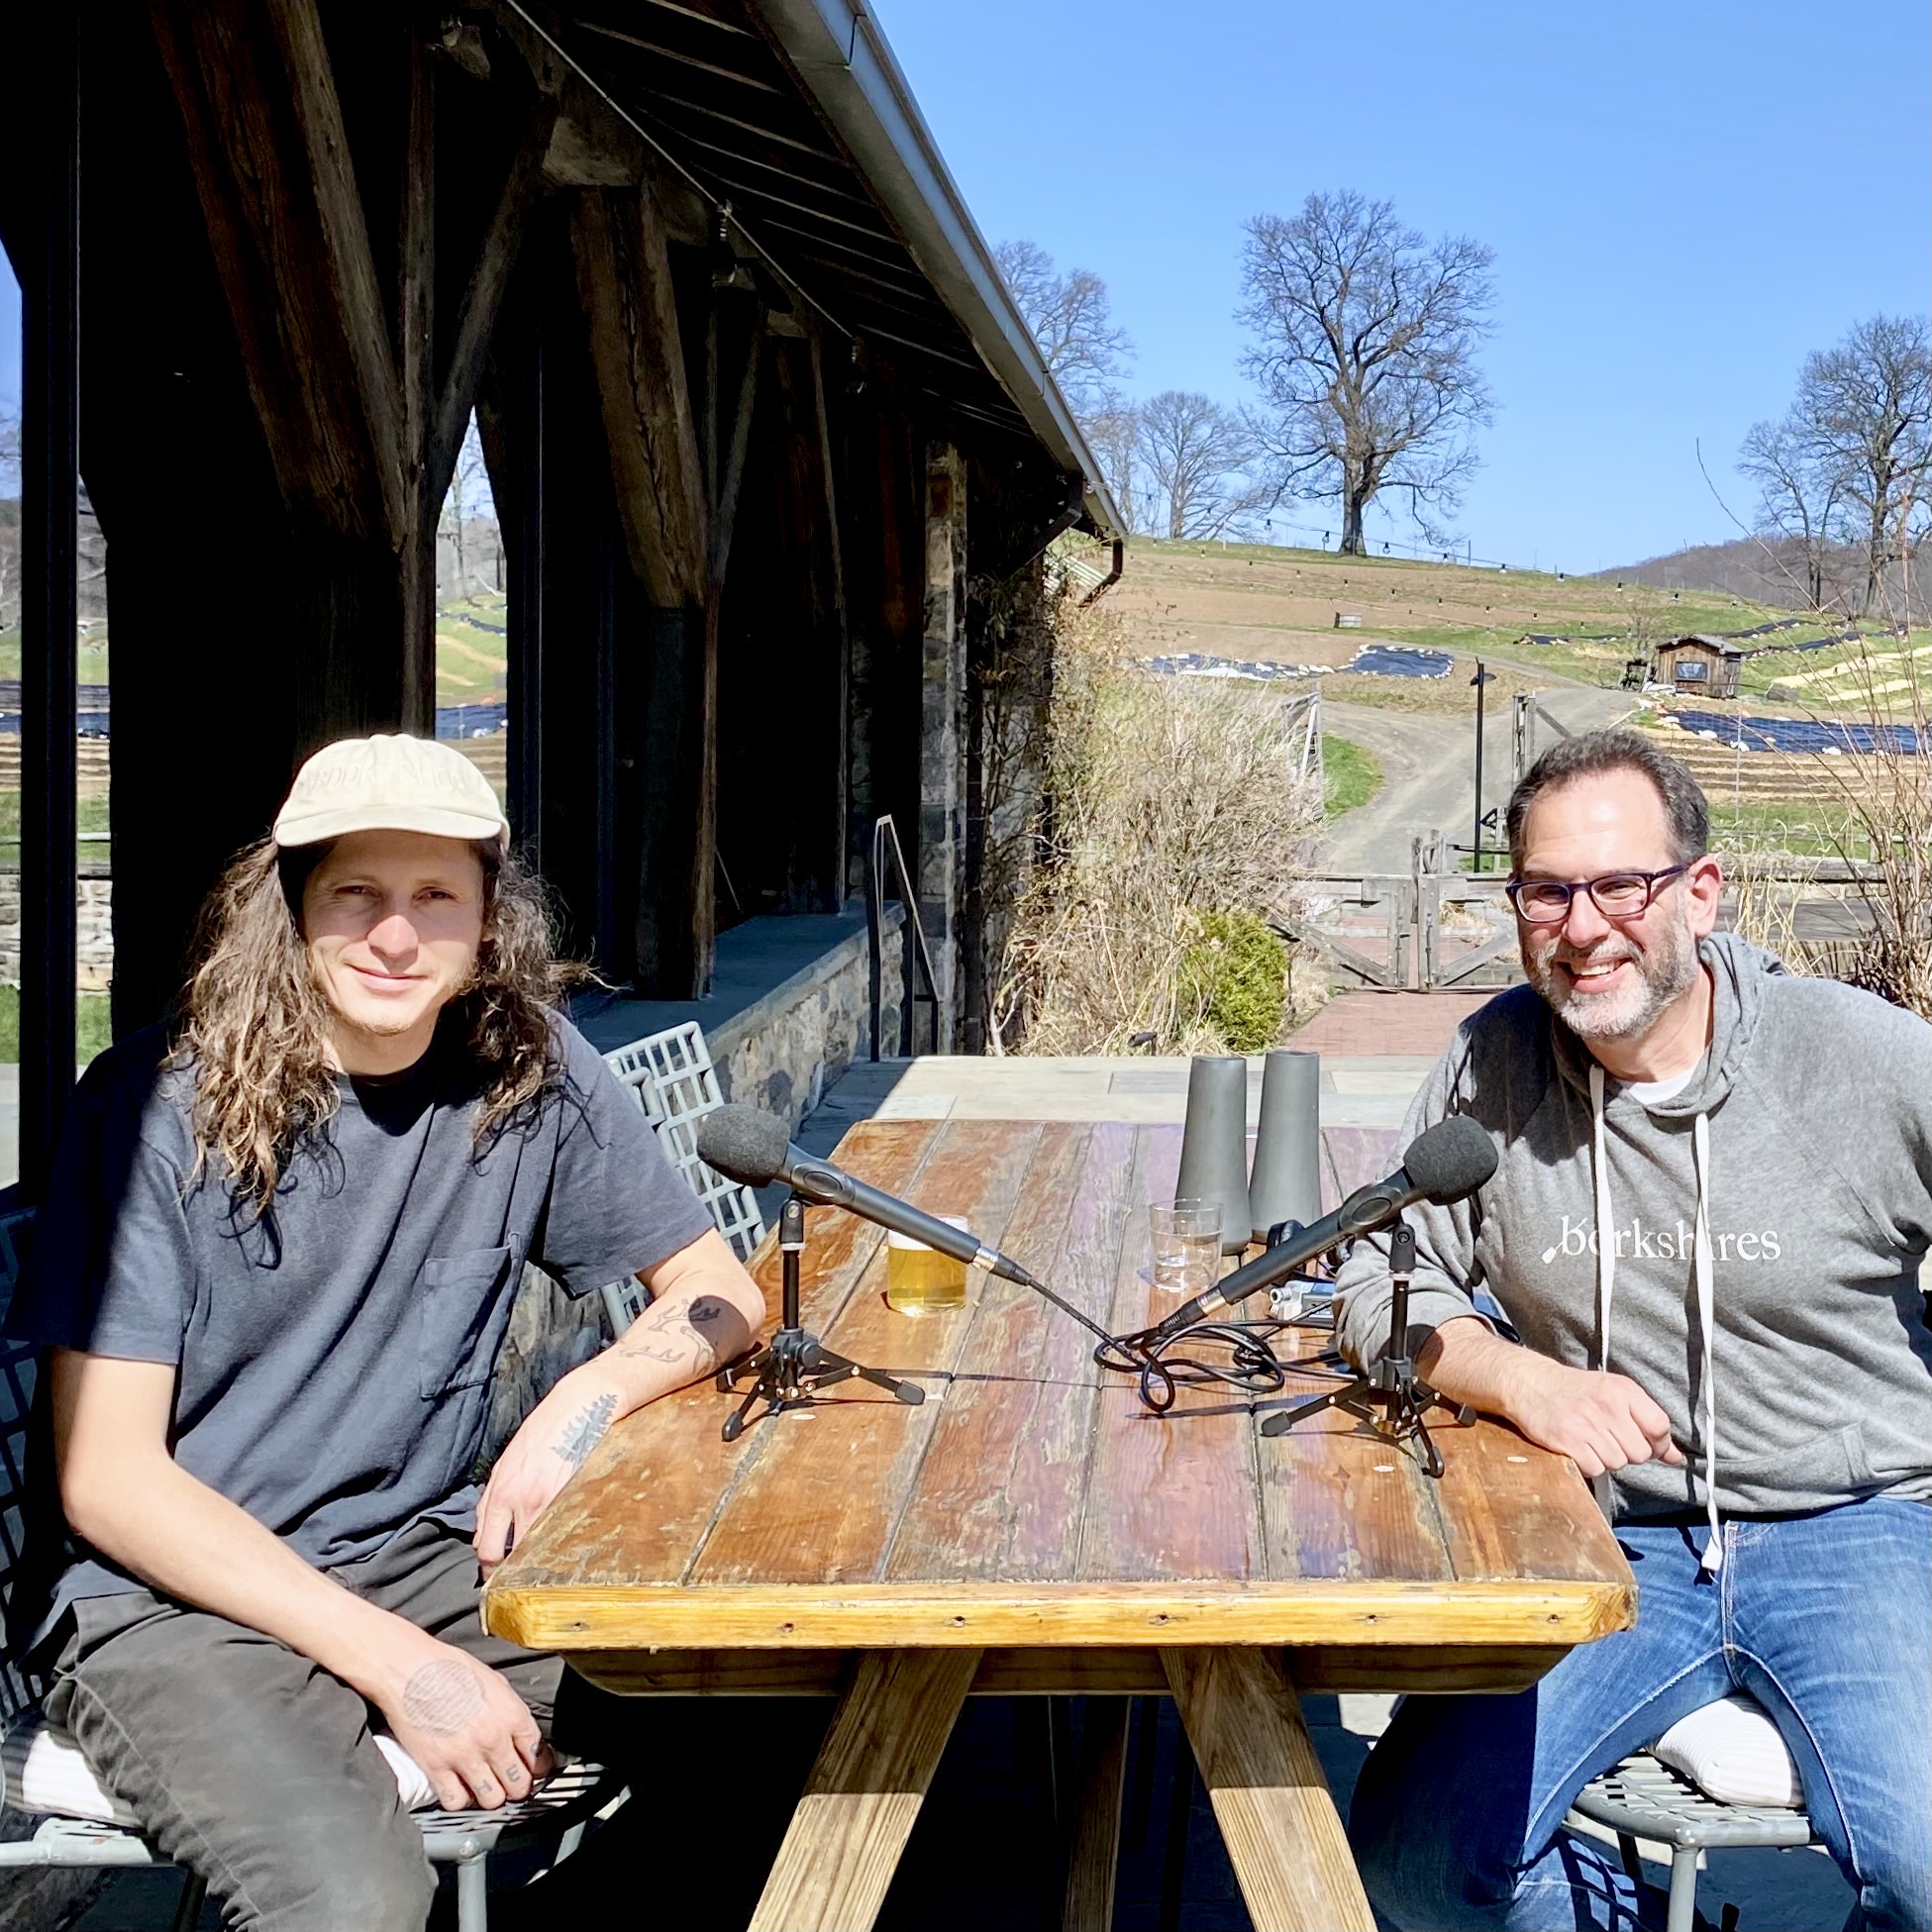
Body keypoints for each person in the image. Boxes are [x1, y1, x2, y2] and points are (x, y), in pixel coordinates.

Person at [3, 734, 768, 1930]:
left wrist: (581, 1402)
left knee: (763, 1704)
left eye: (434, 898)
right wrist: (403, 1671)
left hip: (413, 1550)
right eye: (357, 893)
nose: (396, 937)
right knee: (350, 1902)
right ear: (295, 907)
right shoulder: (157, 1104)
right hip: (167, 1602)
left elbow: (722, 1294)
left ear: (484, 920)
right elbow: (108, 1480)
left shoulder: (528, 1071)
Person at [1335, 729, 1932, 1931]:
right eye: (1546, 889)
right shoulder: (1490, 1063)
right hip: (1604, 1537)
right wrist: (1520, 1380)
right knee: (1414, 1864)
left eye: (1621, 884)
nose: (1583, 923)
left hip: (1852, 1524)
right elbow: (1375, 1288)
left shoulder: (1859, 1061)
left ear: (1699, 893)